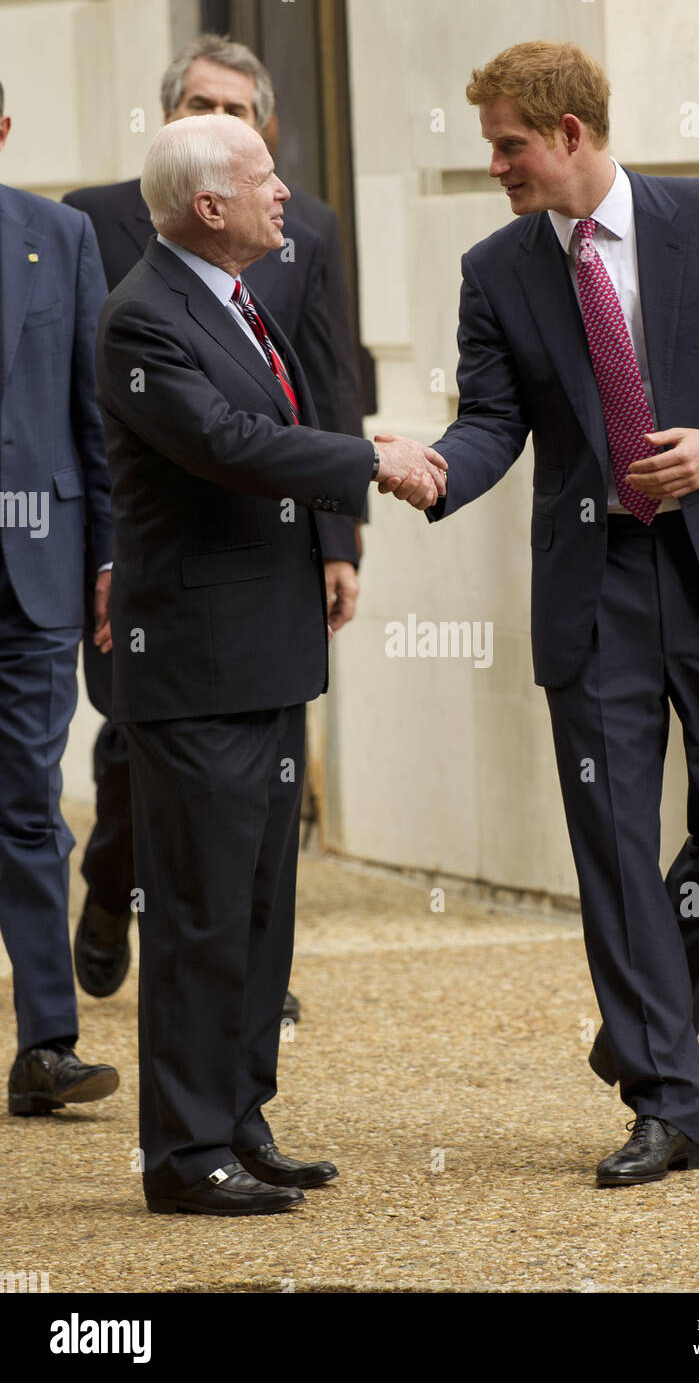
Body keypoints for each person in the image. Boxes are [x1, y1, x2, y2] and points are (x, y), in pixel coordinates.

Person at [382, 41, 699, 1186]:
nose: (494, 166)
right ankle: (665, 1096)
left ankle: (645, 1018)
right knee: (615, 848)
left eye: (507, 145)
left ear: (570, 134)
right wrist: (438, 466)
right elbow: (492, 419)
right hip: (595, 595)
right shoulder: (496, 269)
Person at [97, 114, 444, 1214]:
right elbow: (229, 448)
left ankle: (239, 1119)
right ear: (209, 207)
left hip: (263, 655)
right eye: (262, 179)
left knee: (257, 908)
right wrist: (372, 459)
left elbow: (273, 424)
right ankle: (182, 1152)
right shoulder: (145, 318)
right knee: (200, 909)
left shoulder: (238, 300)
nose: (283, 191)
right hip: (195, 660)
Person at [63, 34, 365, 1014]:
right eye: (205, 105)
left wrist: (336, 539)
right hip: (146, 551)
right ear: (172, 122)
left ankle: (229, 981)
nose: (224, 124)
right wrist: (104, 553)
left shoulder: (300, 226)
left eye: (240, 112)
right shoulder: (94, 225)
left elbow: (318, 386)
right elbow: (96, 405)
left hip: (265, 563)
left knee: (240, 773)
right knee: (140, 759)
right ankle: (120, 894)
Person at [0, 83, 119, 1115]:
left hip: (33, 575)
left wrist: (109, 559)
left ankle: (47, 1044)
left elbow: (94, 407)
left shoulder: (60, 235)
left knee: (28, 806)